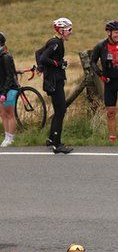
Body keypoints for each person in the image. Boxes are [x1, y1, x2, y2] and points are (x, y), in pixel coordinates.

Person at [37, 18, 73, 154]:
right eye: (69, 30)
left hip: (54, 80)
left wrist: (41, 67)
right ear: (61, 30)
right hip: (54, 81)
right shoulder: (55, 43)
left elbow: (38, 53)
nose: (70, 32)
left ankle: (51, 139)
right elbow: (43, 57)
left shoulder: (56, 42)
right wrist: (58, 64)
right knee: (60, 111)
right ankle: (57, 145)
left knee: (60, 110)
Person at [0, 32, 19, 148]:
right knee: (2, 114)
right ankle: (6, 136)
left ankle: (11, 138)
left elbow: (9, 76)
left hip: (10, 89)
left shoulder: (6, 57)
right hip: (1, 89)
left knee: (9, 113)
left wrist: (4, 92)